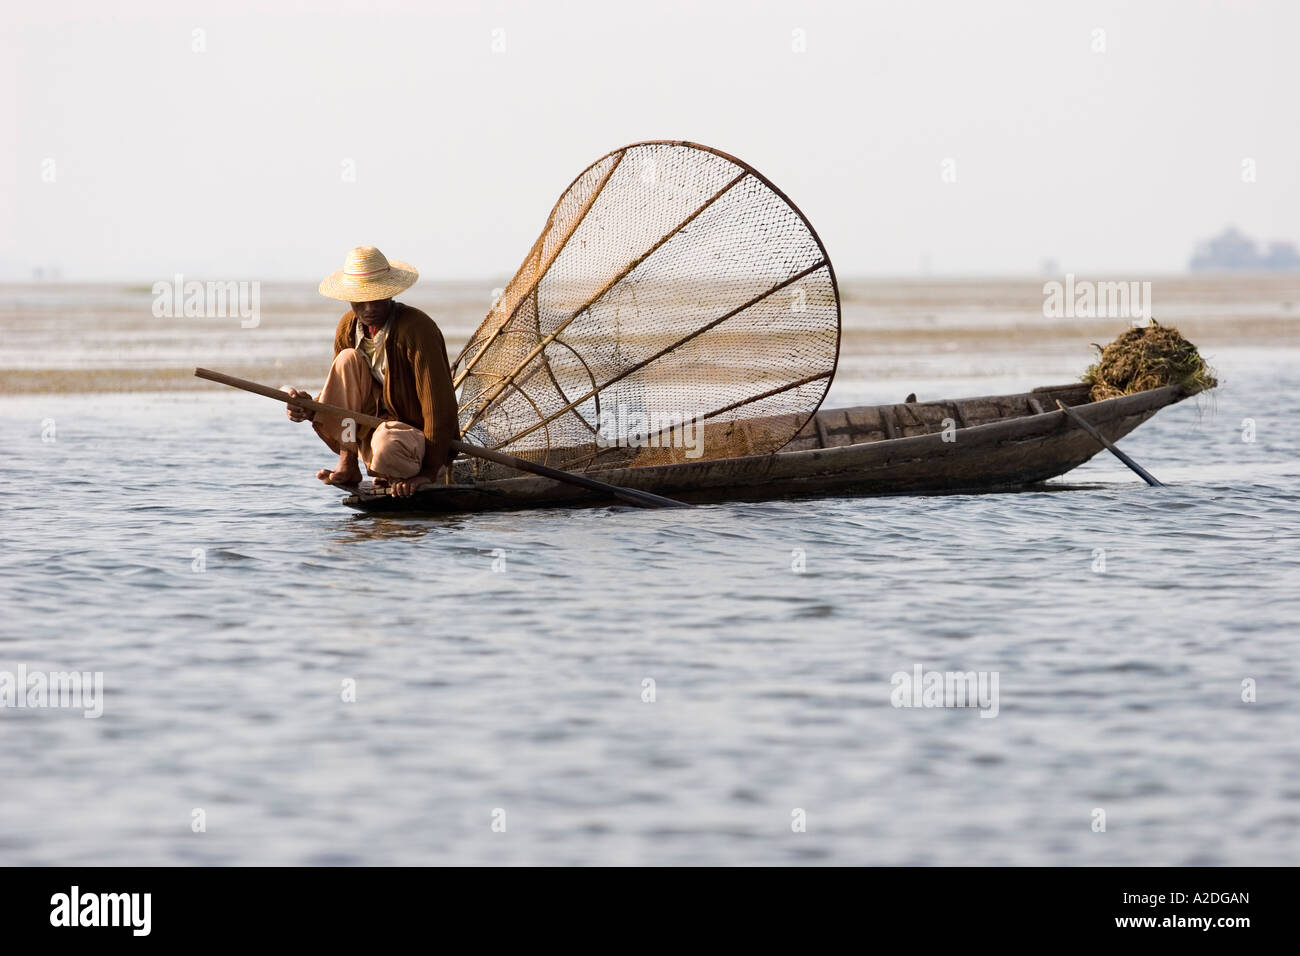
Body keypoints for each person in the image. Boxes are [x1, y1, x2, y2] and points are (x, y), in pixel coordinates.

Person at [284, 245, 458, 497]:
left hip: (414, 441)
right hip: (374, 434)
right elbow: (341, 398)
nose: (368, 308)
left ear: (389, 293)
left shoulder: (417, 328)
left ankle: (396, 468)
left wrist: (430, 471)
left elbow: (438, 405)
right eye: (360, 300)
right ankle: (349, 460)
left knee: (386, 449)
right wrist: (307, 407)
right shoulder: (348, 327)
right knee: (346, 359)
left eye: (376, 298)